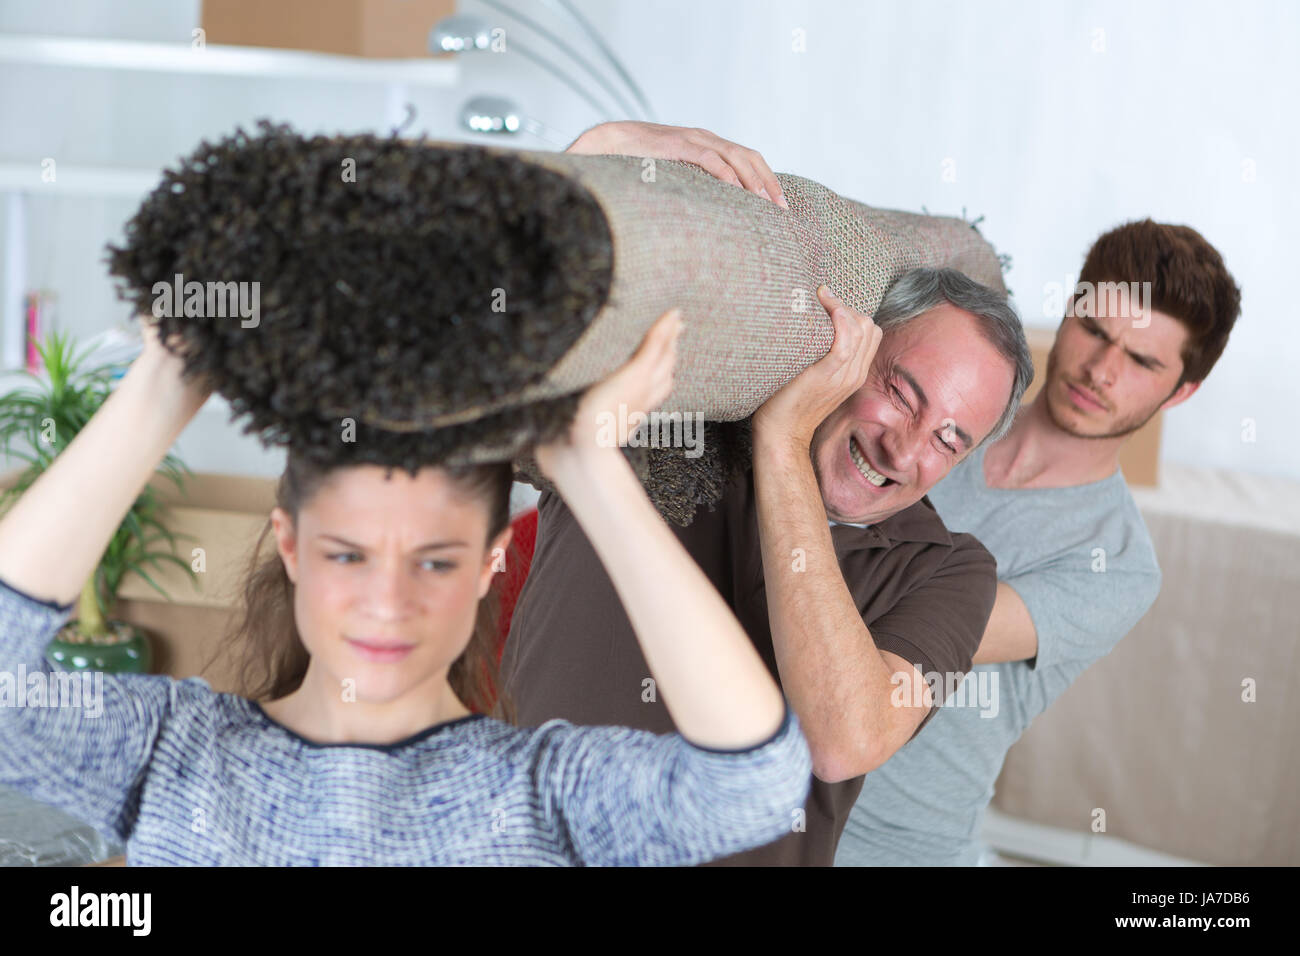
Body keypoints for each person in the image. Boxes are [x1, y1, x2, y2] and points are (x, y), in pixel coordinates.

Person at [0, 309, 814, 866]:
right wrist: (162, 389)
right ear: (290, 544)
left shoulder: (538, 793)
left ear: (493, 561)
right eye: (349, 555)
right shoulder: (171, 752)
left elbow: (752, 785)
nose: (389, 603)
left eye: (435, 560)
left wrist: (588, 466)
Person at [503, 119, 1035, 867]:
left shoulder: (949, 570)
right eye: (900, 393)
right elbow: (518, 327)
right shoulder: (679, 416)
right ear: (853, 352)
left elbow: (844, 739)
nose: (905, 449)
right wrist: (602, 151)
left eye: (952, 439)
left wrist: (784, 442)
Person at [833, 218, 1240, 865]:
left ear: (1181, 391)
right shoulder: (949, 407)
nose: (1102, 370)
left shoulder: (1119, 566)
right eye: (1096, 331)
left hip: (895, 843)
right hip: (753, 778)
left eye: (1141, 361)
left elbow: (905, 618)